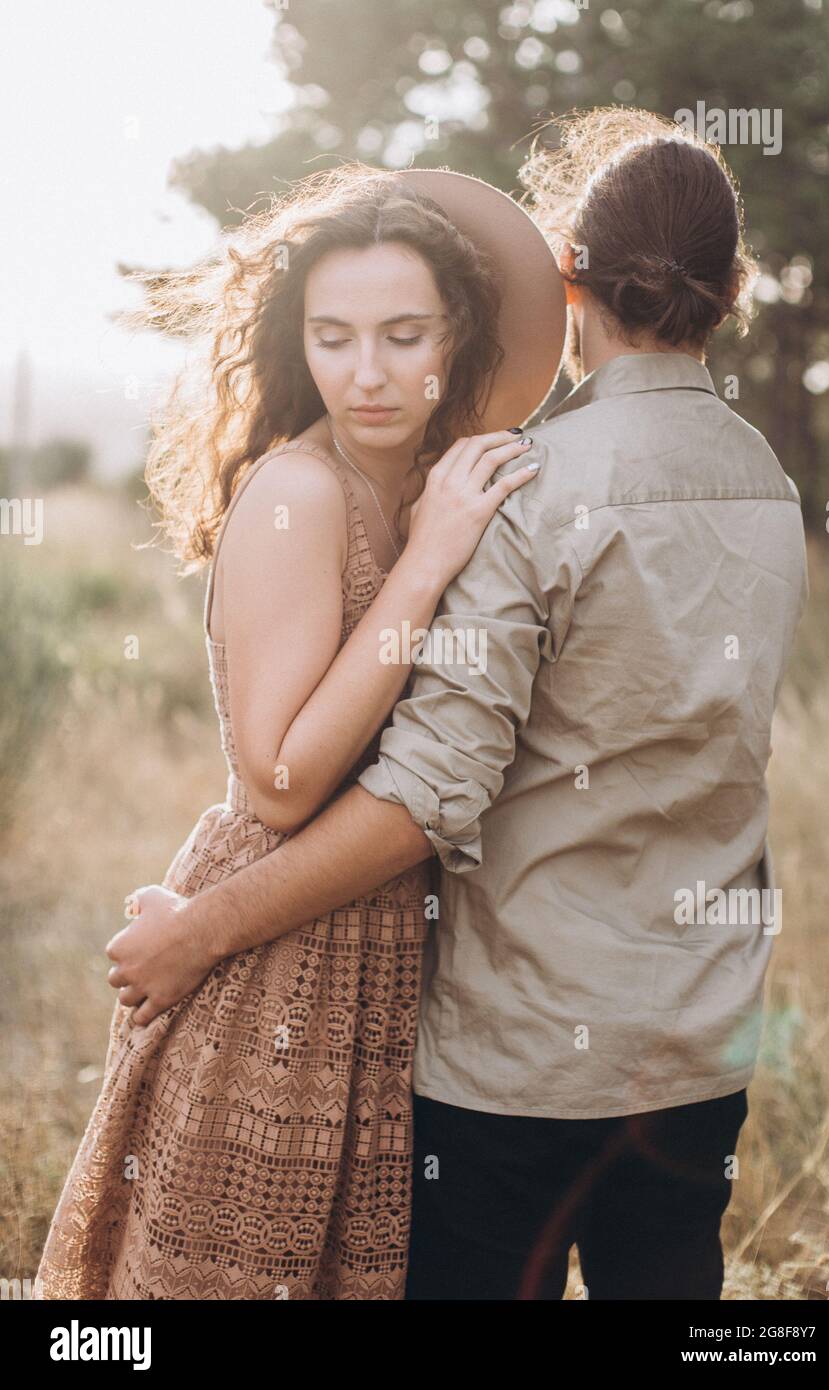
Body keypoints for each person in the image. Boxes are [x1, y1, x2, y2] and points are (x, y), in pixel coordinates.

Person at [99, 108, 809, 1301]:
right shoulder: (771, 491)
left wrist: (204, 926)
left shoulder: (528, 490)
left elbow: (425, 792)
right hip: (694, 1042)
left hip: (510, 1060)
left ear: (568, 278)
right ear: (730, 287)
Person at [35, 163, 566, 1300]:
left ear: (455, 335)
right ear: (297, 341)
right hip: (269, 960)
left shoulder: (426, 479)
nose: (366, 374)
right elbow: (279, 782)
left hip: (384, 956)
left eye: (401, 334)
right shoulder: (300, 493)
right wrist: (426, 562)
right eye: (332, 337)